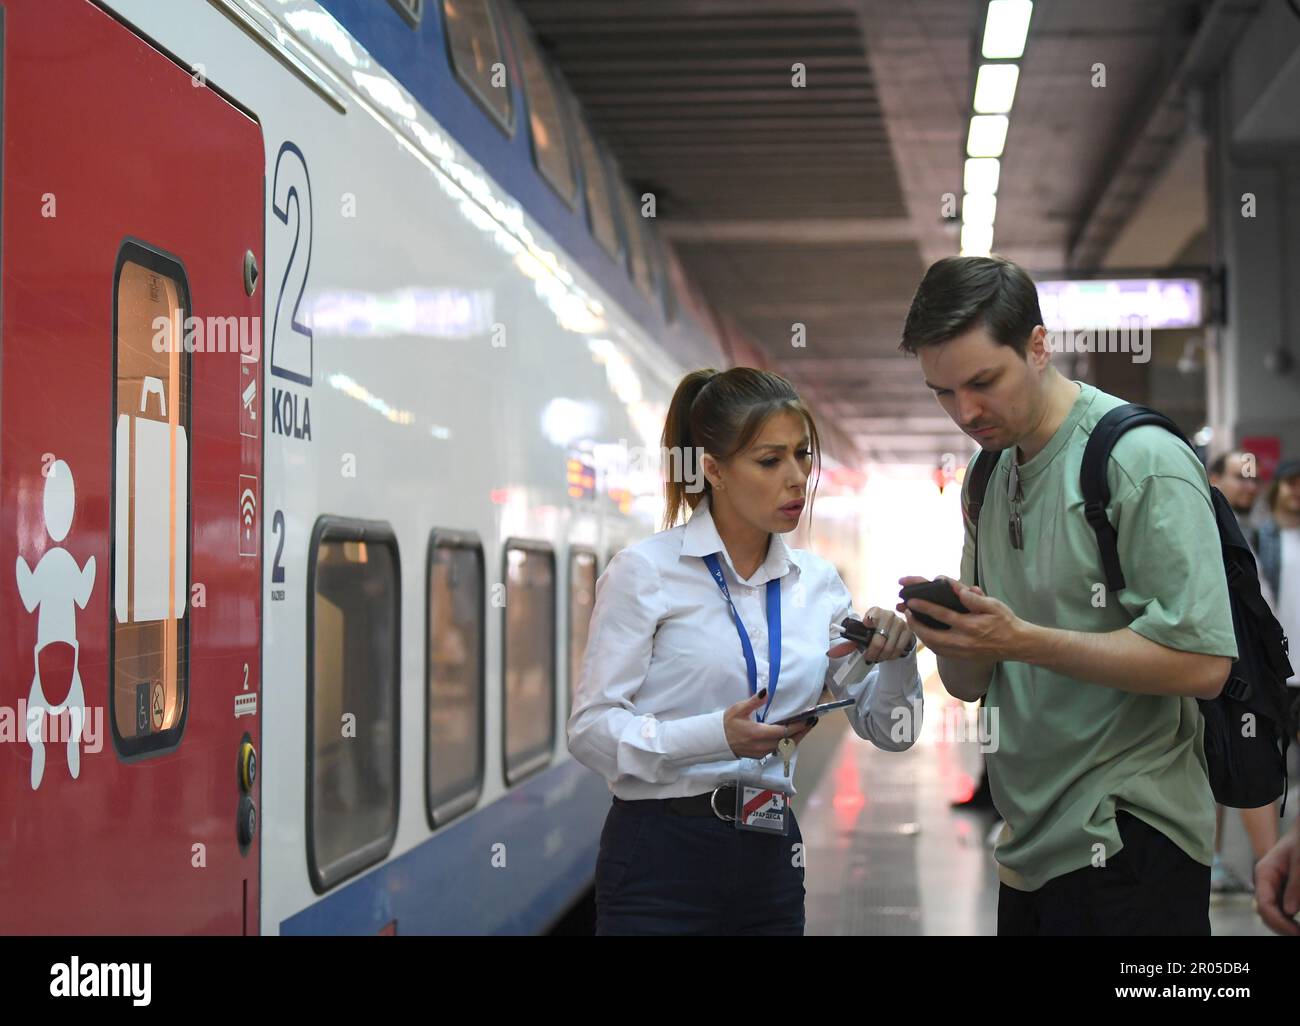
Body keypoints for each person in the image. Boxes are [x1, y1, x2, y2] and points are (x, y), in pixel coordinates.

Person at [896, 255, 1236, 936]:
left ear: (1039, 345)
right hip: (1027, 846)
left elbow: (1203, 665)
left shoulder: (1136, 461)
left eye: (983, 382)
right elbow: (970, 684)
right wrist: (945, 637)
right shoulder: (988, 475)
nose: (966, 412)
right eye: (942, 392)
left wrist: (1024, 640)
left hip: (1129, 839)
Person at [567, 367, 922, 936]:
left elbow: (893, 733)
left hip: (771, 854)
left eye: (803, 456)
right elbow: (590, 730)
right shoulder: (645, 573)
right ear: (713, 470)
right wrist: (716, 735)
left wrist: (899, 656)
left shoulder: (818, 585)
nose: (797, 479)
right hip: (661, 858)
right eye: (769, 460)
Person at [1206, 451, 1281, 893]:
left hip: (1261, 666)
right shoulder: (1208, 531)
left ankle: (1269, 872)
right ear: (1214, 478)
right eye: (1240, 478)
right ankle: (1272, 874)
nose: (1249, 487)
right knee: (1239, 763)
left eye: (1254, 480)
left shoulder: (1256, 532)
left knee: (1251, 764)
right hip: (1233, 671)